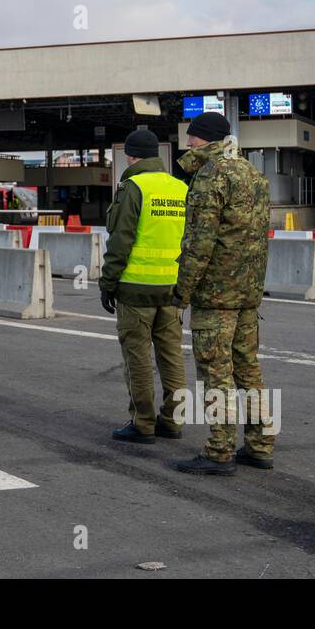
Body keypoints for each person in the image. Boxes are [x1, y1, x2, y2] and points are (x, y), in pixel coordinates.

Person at [171, 111, 274, 475]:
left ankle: (220, 451)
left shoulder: (210, 176)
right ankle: (260, 445)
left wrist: (181, 292)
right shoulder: (252, 172)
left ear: (205, 140)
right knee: (249, 369)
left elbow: (200, 242)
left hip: (216, 295)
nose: (187, 144)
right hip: (247, 293)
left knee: (217, 373)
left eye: (192, 138)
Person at [99, 130, 189, 444]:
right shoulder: (181, 187)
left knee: (138, 357)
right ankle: (173, 421)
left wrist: (108, 282)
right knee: (172, 356)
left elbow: (120, 240)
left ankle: (143, 423)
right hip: (173, 289)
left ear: (130, 156)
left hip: (136, 289)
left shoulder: (133, 187)